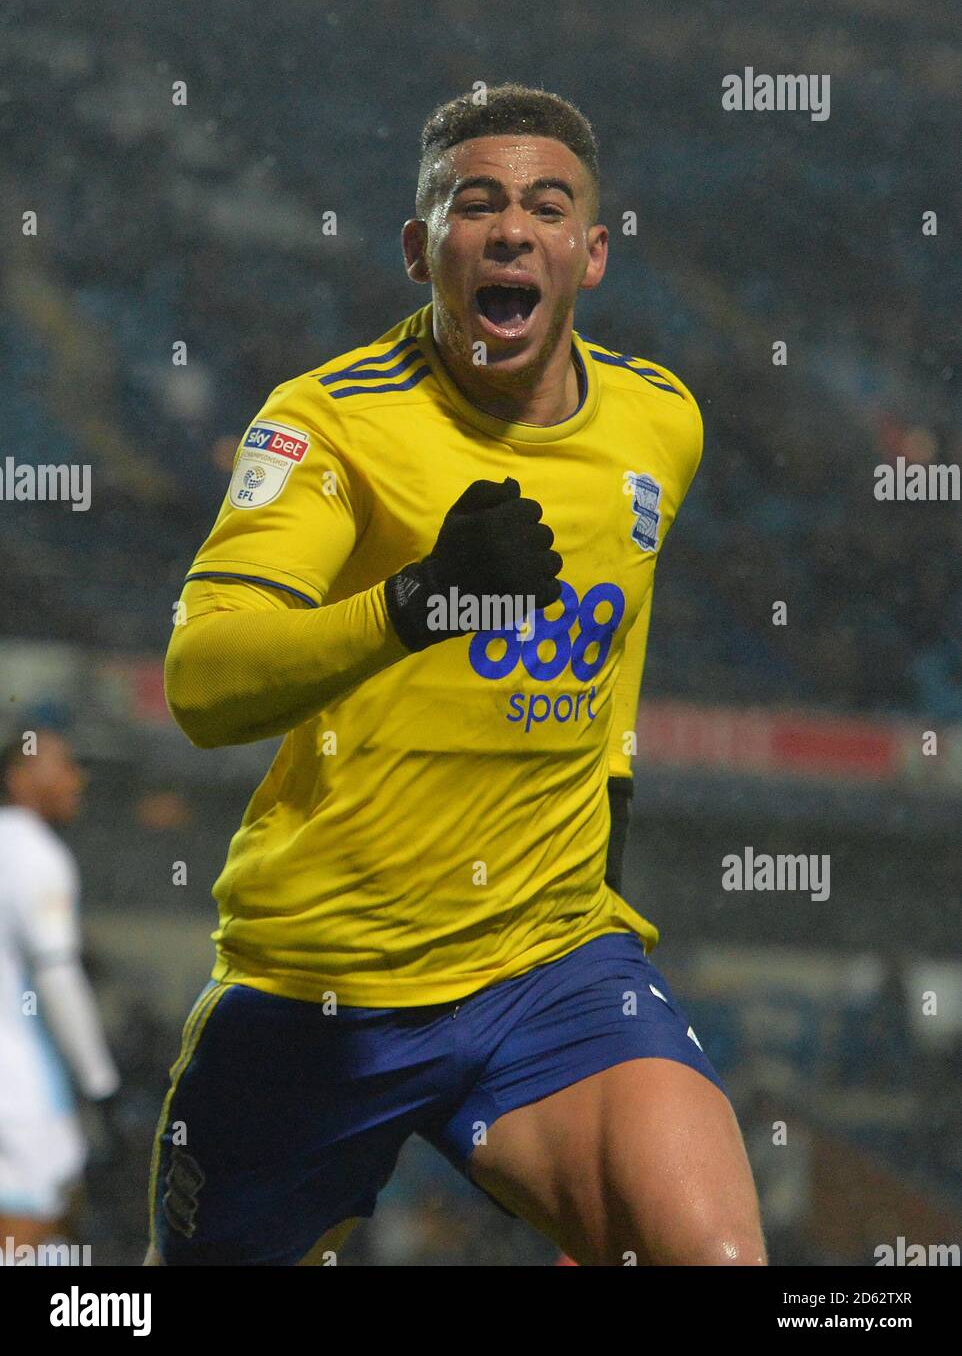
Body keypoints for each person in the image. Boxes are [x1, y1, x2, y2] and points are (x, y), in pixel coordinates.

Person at [147, 84, 765, 1267]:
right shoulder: (328, 425)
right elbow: (201, 679)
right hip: (321, 985)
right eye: (472, 204)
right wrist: (411, 605)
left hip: (548, 966)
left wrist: (606, 829)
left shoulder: (658, 423)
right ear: (419, 249)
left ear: (590, 253)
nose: (509, 228)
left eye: (545, 205)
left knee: (714, 1256)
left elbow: (615, 662)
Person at [0, 730, 119, 1251]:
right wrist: (100, 1083)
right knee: (32, 1225)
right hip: (19, 1084)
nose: (77, 779)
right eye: (64, 766)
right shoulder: (35, 853)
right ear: (19, 776)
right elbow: (56, 977)